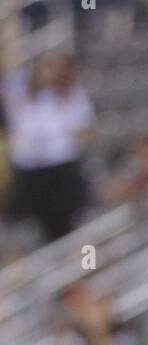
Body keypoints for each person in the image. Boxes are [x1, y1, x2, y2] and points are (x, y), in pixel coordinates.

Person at [2, 51, 94, 242]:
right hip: (29, 170)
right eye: (43, 69)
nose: (46, 74)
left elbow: (85, 129)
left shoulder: (70, 95)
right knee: (27, 223)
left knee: (65, 219)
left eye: (51, 69)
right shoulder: (16, 92)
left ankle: (74, 254)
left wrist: (62, 139)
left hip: (60, 167)